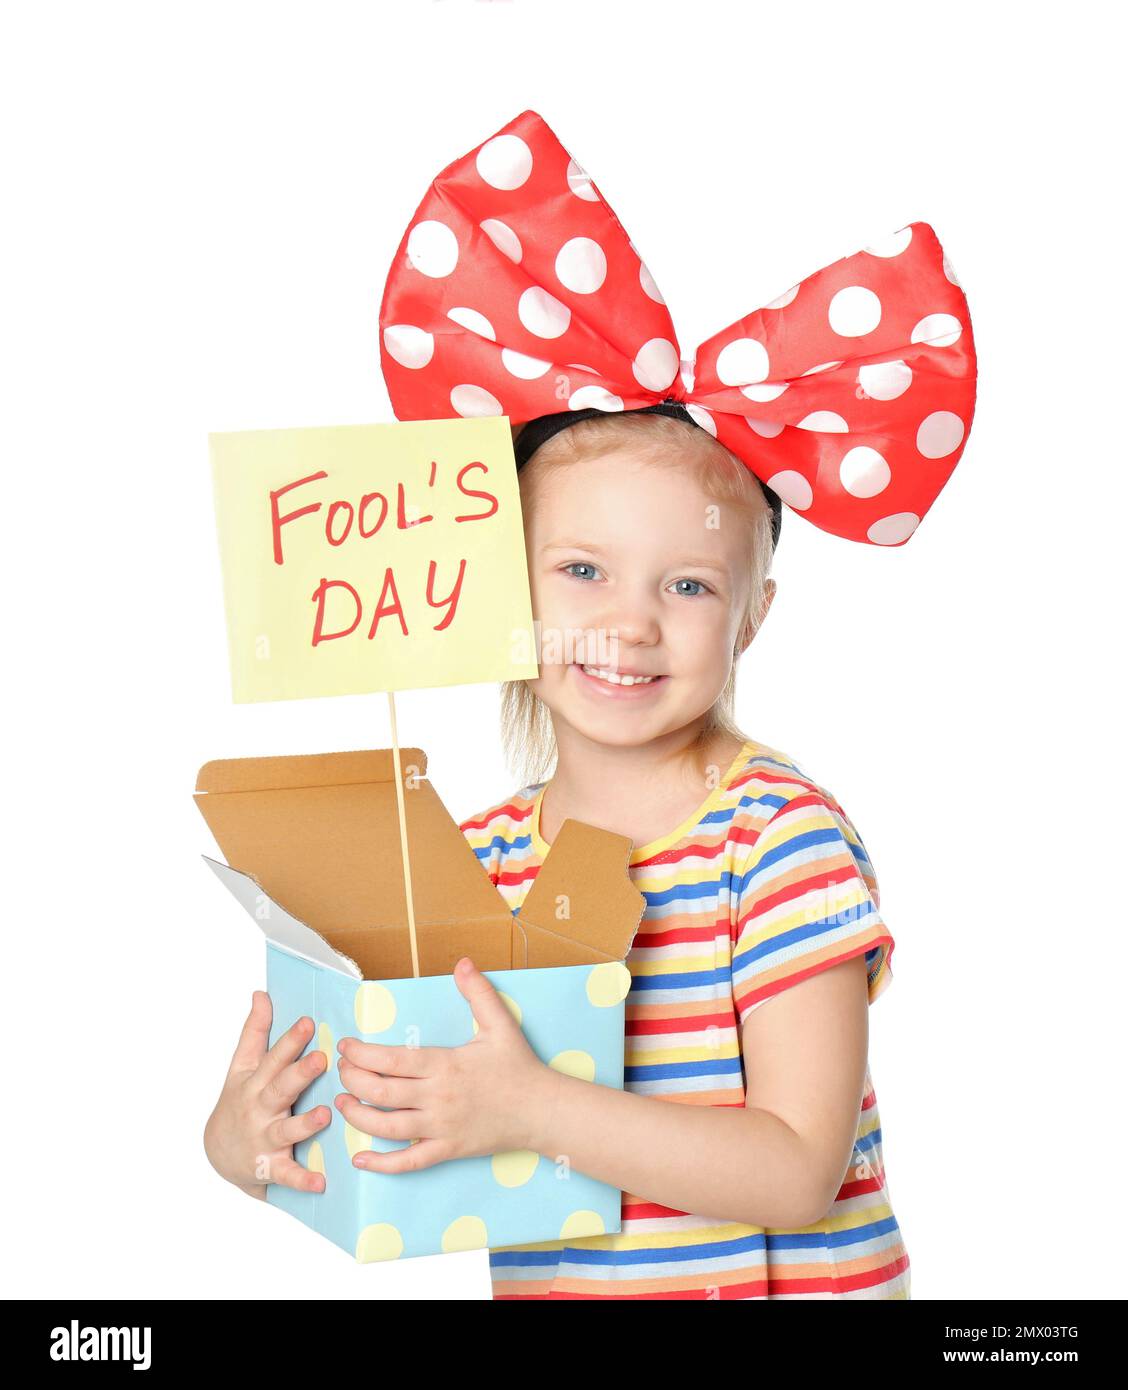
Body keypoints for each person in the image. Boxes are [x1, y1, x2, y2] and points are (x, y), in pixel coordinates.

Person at [203, 107, 976, 1299]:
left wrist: (529, 1103)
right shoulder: (472, 862)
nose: (628, 623)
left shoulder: (778, 843)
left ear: (751, 617)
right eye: (581, 570)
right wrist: (254, 1135)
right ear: (504, 586)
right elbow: (404, 1142)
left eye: (686, 583)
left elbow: (797, 1168)